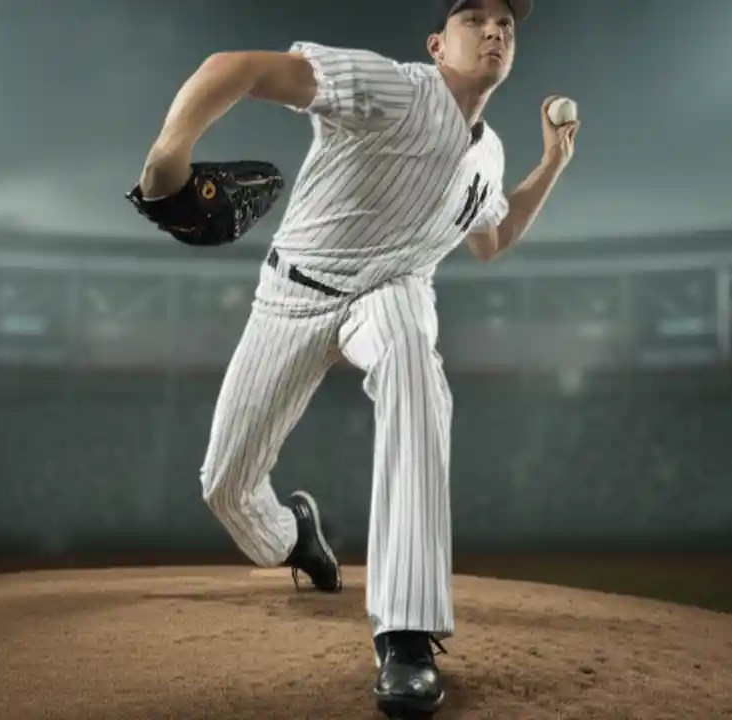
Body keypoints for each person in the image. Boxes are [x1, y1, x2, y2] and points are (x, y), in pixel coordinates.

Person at [136, 0, 576, 714]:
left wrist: (553, 163)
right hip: (293, 294)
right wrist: (167, 156)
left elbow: (492, 239)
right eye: (475, 17)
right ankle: (293, 535)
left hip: (393, 290)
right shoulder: (394, 87)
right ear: (438, 44)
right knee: (225, 486)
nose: (495, 28)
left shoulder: (489, 156)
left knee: (414, 370)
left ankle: (406, 633)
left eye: (508, 22)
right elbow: (236, 69)